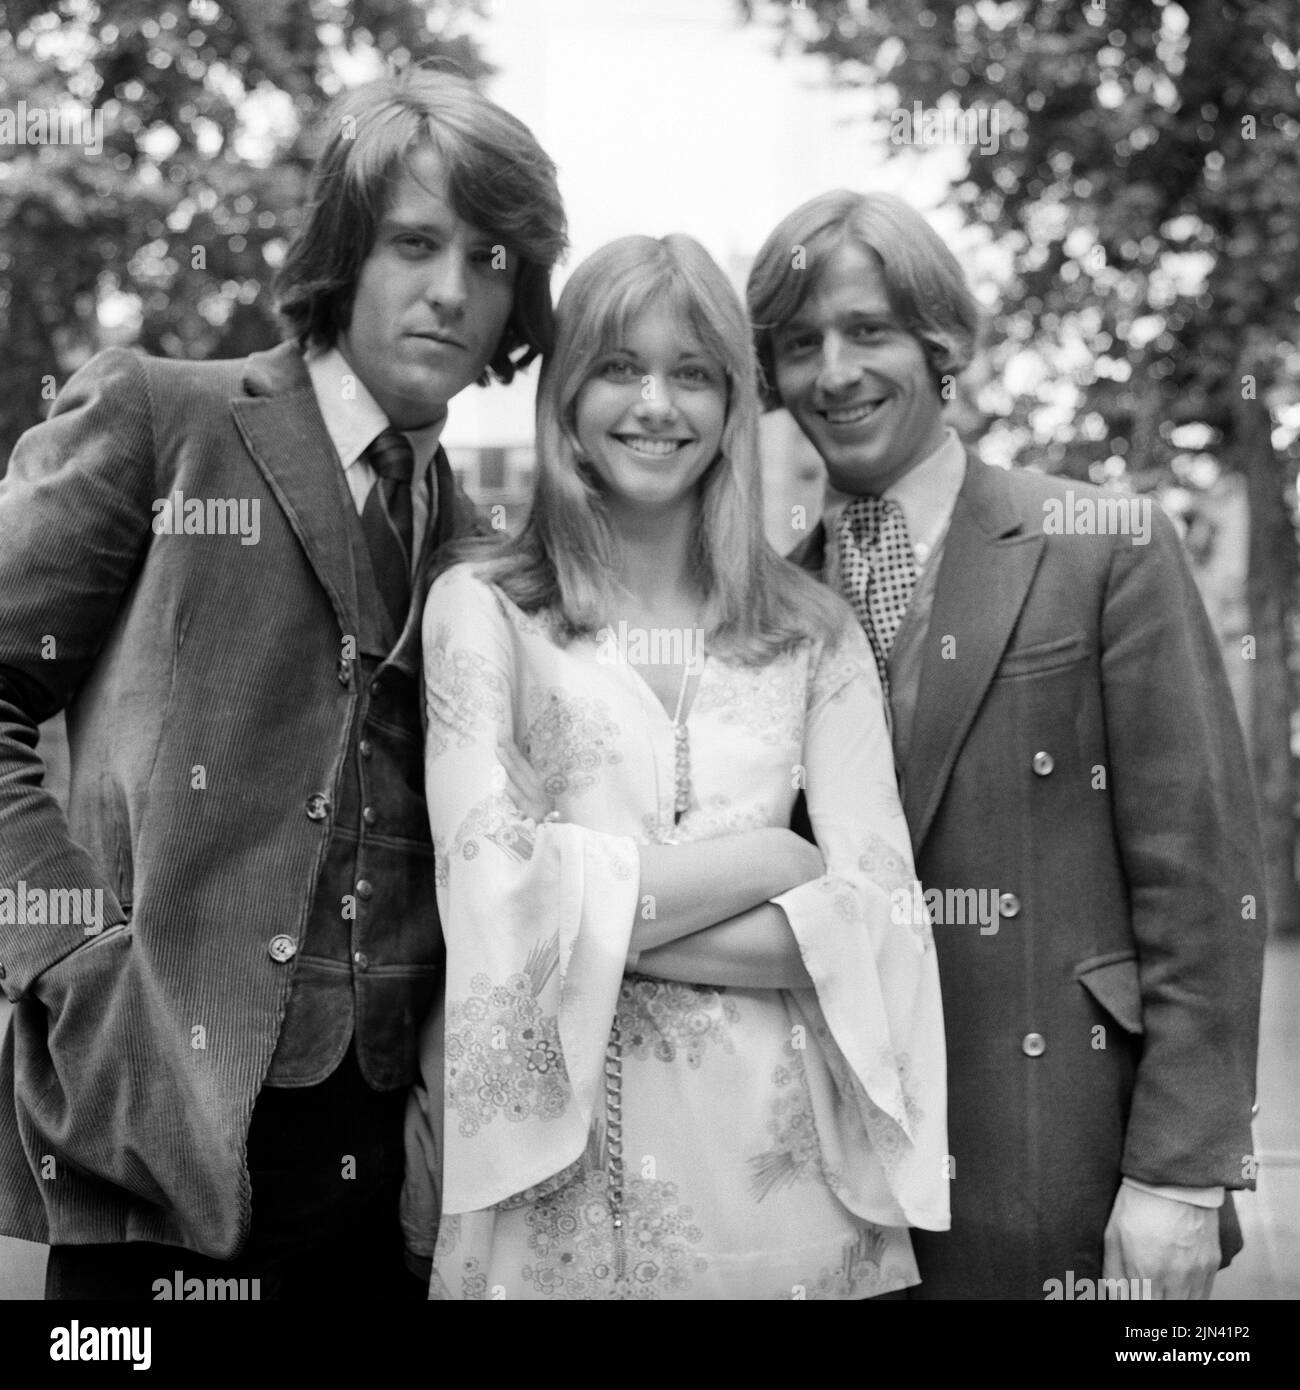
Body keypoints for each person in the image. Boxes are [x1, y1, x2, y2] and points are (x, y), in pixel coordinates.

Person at [0, 66, 566, 1300]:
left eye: (492, 258)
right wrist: (68, 956)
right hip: (157, 1105)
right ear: (344, 251)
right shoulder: (167, 418)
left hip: (387, 1148)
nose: (452, 289)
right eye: (416, 242)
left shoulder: (475, 535)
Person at [400, 233, 948, 1301]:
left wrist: (571, 907)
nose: (656, 404)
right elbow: (488, 896)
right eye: (618, 366)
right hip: (547, 1195)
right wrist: (770, 860)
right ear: (565, 395)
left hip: (788, 1195)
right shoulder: (483, 609)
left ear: (733, 405)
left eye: (691, 373)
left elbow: (880, 921)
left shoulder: (815, 634)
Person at [747, 189, 1267, 1300]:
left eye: (869, 330)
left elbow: (1202, 880)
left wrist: (1179, 1176)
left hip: (1066, 1167)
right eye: (800, 345)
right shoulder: (762, 611)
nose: (834, 371)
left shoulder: (1104, 546)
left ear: (941, 343)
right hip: (832, 1195)